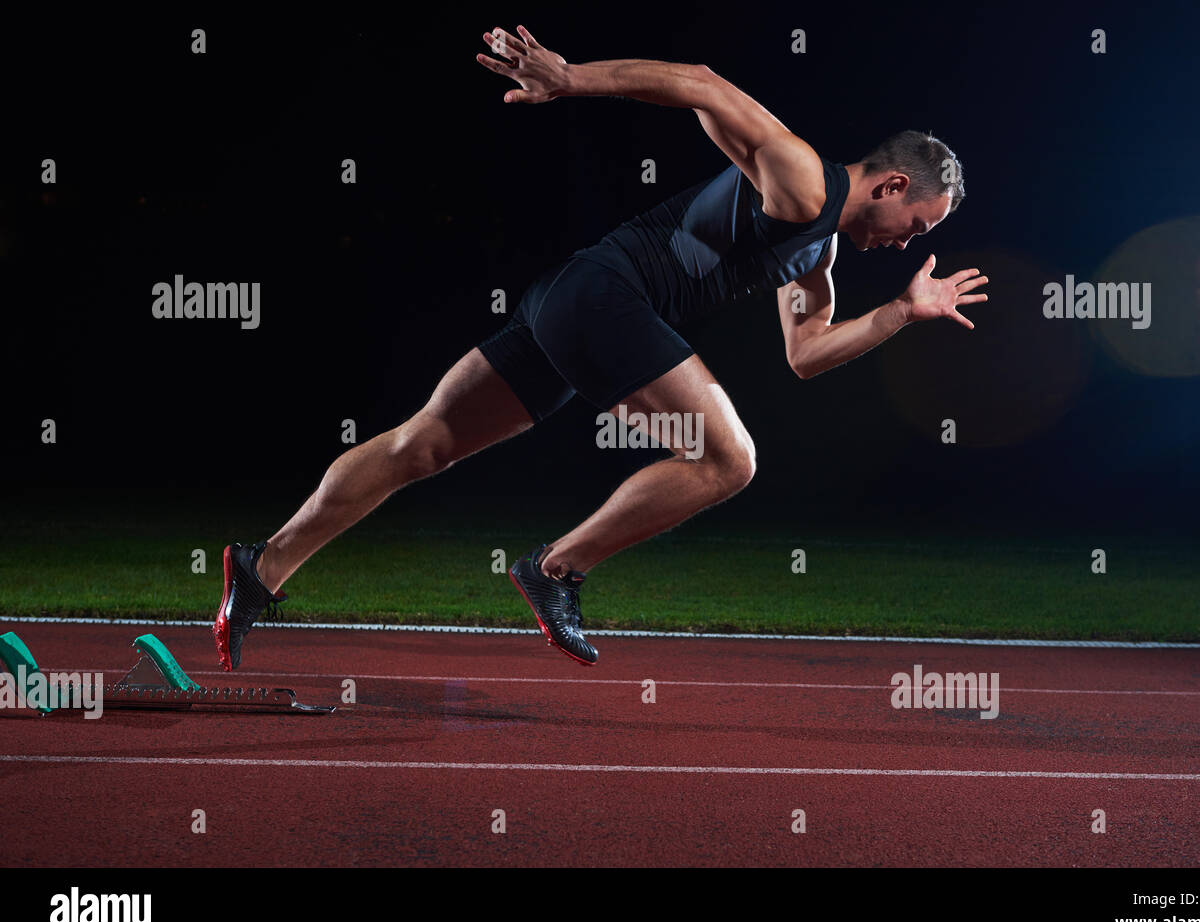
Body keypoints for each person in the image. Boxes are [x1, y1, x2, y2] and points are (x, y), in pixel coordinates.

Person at [212, 25, 989, 672]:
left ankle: (262, 567)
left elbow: (807, 353)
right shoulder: (802, 179)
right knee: (730, 459)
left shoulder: (817, 254)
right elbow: (702, 82)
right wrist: (570, 78)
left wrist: (900, 313)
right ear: (891, 186)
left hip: (570, 300)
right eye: (915, 227)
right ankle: (555, 567)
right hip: (604, 300)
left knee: (422, 444)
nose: (904, 244)